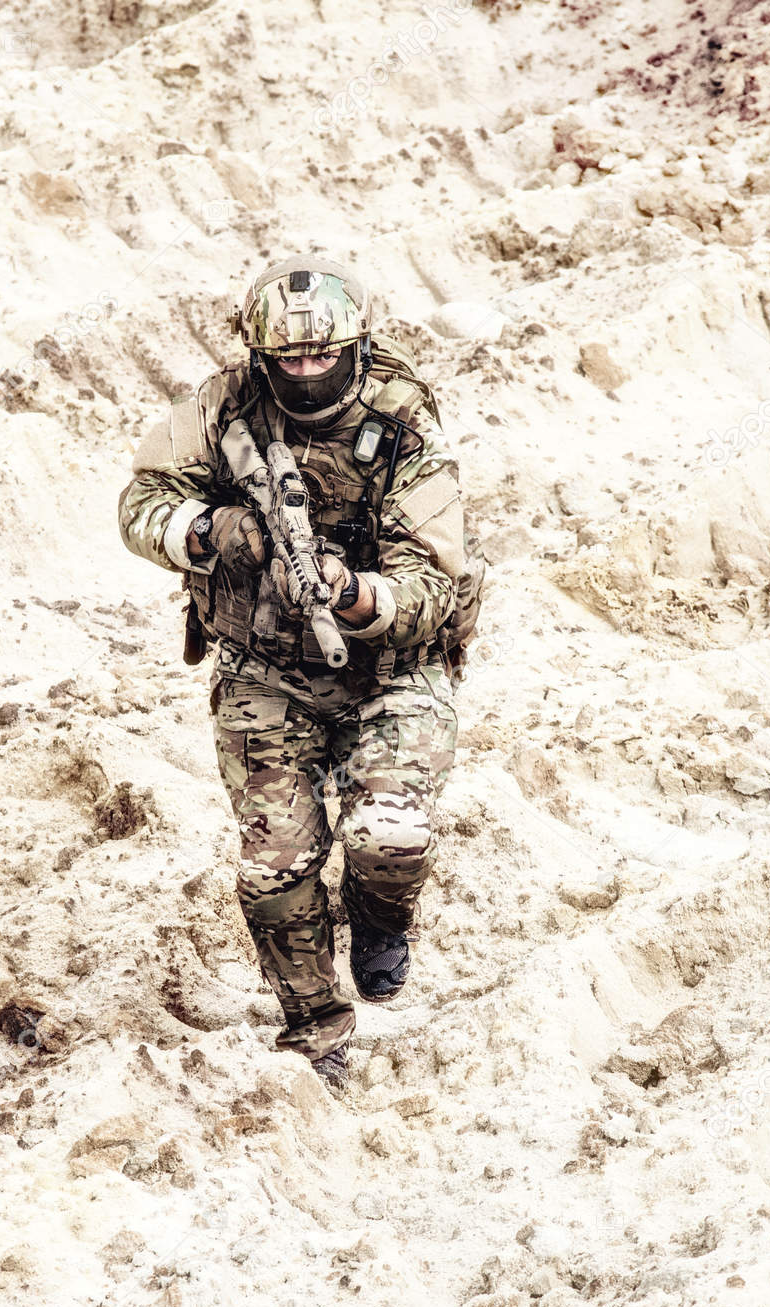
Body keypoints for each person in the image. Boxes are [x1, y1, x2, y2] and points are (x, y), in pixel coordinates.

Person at [117, 254, 479, 1088]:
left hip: (393, 665)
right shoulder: (222, 408)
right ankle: (316, 1030)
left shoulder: (401, 419)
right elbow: (141, 504)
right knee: (274, 869)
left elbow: (431, 584)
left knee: (387, 837)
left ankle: (381, 916)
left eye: (323, 357)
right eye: (288, 360)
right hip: (266, 667)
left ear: (353, 347)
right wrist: (212, 534)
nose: (307, 372)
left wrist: (348, 594)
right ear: (261, 357)